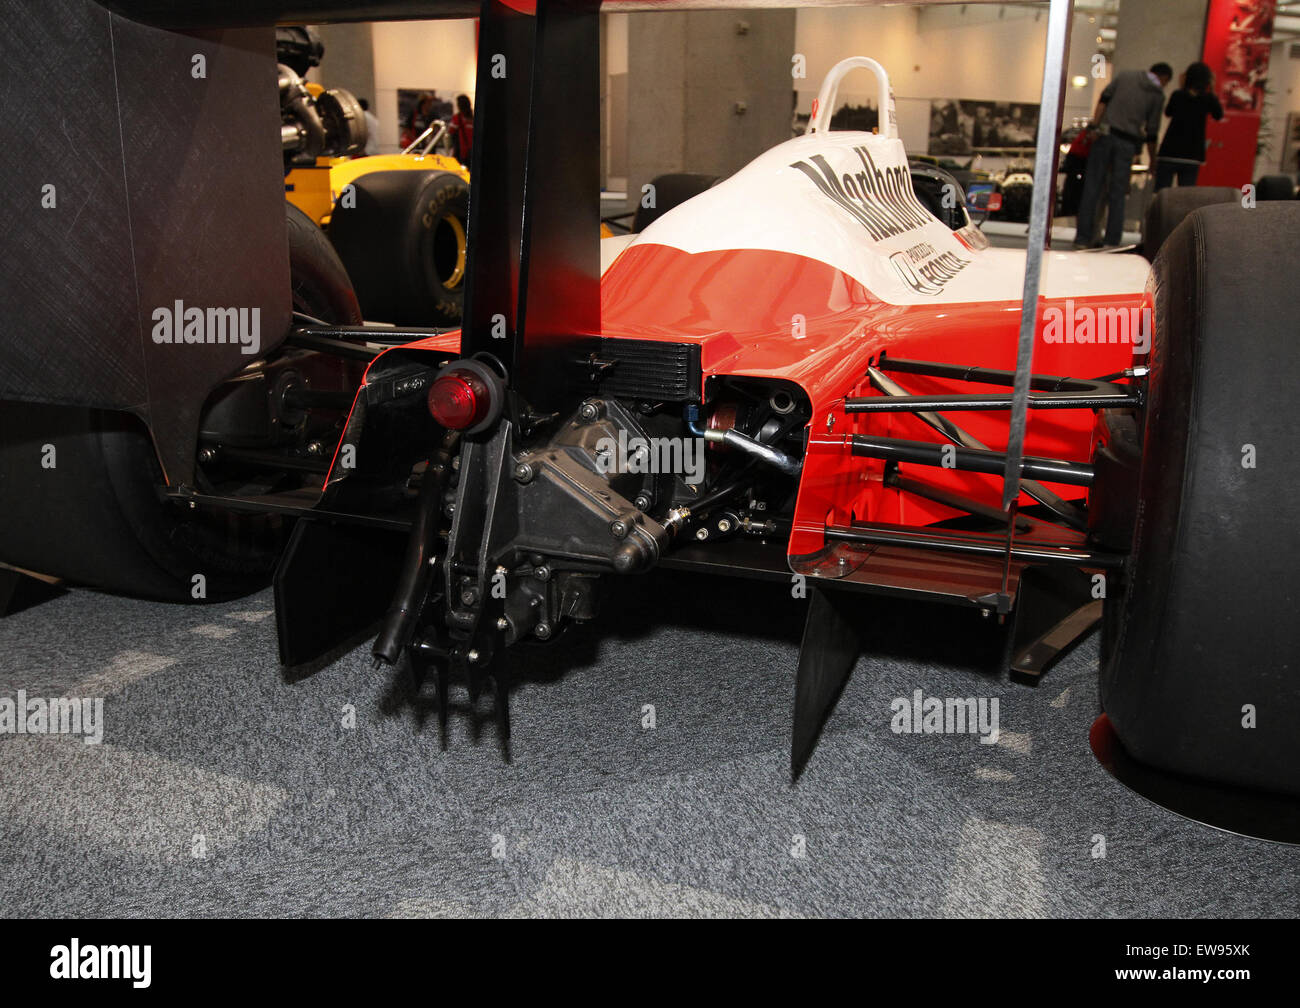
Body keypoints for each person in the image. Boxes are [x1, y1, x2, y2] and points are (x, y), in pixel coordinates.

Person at [1073, 62, 1172, 249]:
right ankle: (1112, 241)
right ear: (1164, 78)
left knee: (1092, 188)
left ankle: (1082, 238)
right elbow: (1152, 131)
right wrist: (1152, 159)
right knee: (1117, 194)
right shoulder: (1157, 95)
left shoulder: (1125, 75)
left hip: (1104, 136)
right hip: (1127, 143)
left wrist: (1094, 126)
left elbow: (1103, 100)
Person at [1154, 62, 1223, 189]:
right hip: (1192, 154)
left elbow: (1168, 112)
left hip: (1170, 151)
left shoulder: (1178, 95)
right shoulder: (1208, 98)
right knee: (1186, 194)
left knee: (1161, 192)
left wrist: (1182, 87)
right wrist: (1212, 90)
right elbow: (1218, 115)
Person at [449, 94, 474, 166]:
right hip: (472, 152)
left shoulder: (457, 118)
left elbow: (451, 132)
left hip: (461, 153)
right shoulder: (473, 118)